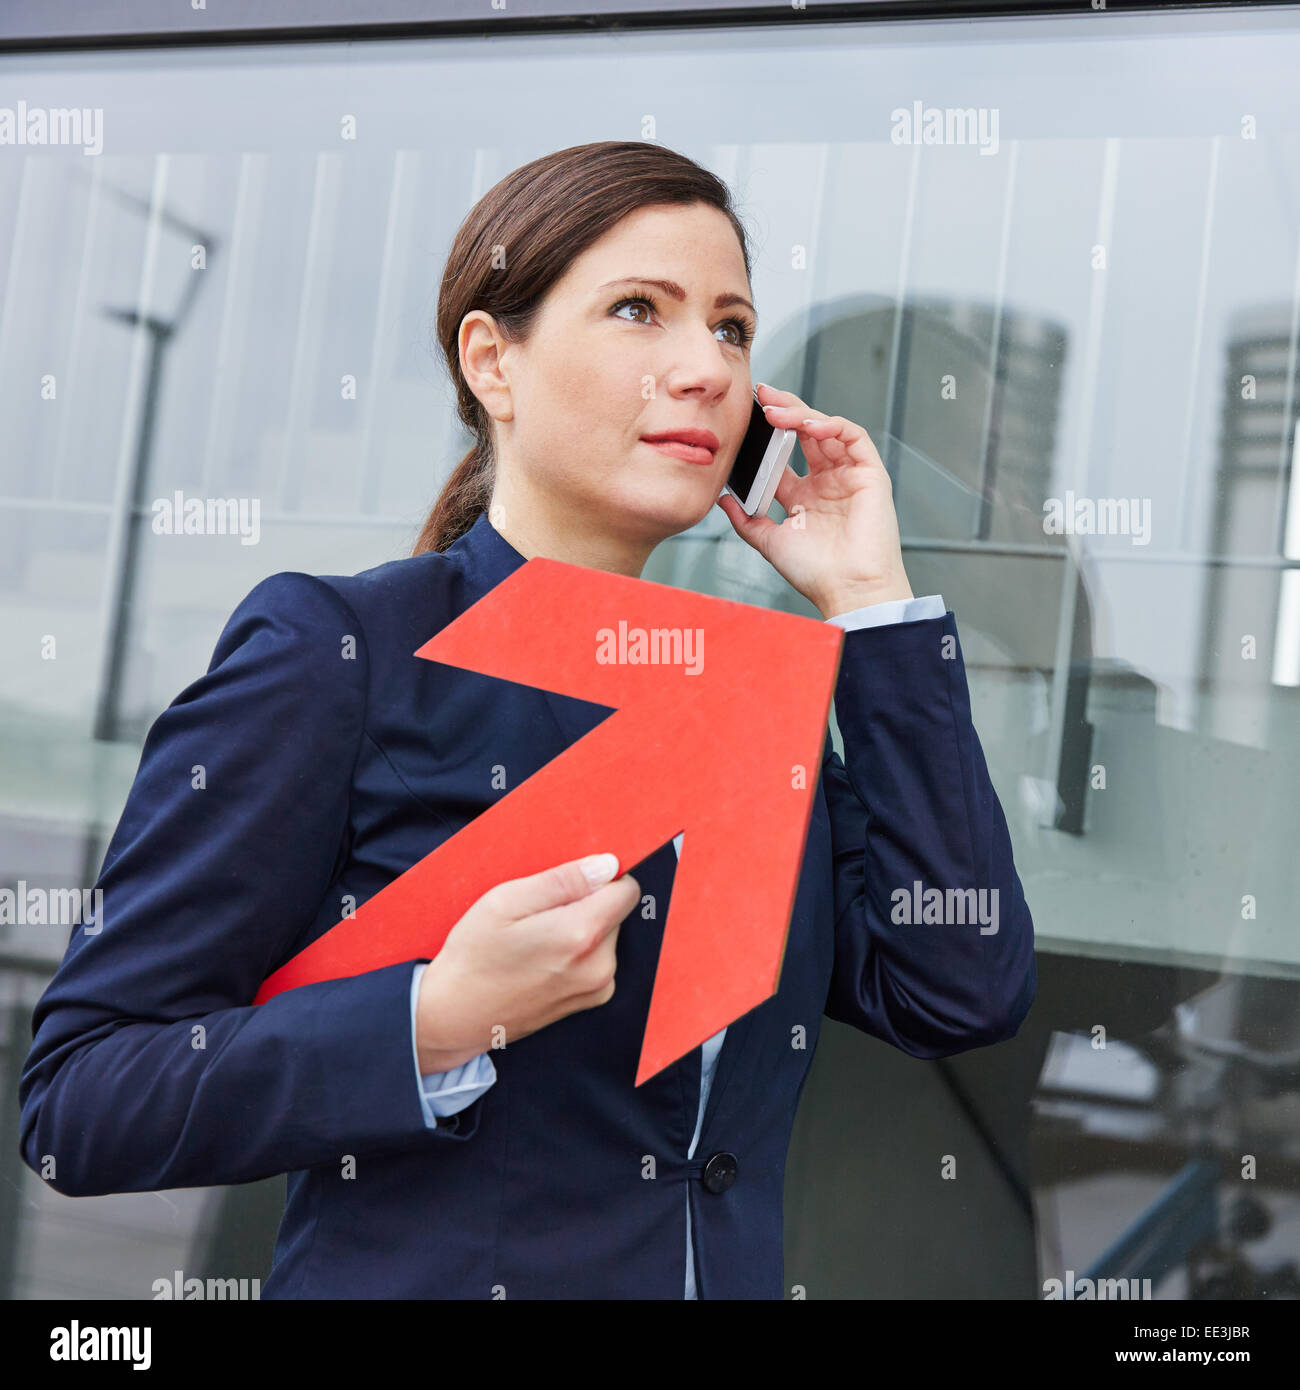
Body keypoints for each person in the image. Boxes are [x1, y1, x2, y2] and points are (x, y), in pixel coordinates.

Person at [18, 139, 1036, 1300]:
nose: (704, 365)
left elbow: (957, 986)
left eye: (732, 327)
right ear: (493, 361)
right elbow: (82, 1099)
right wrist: (434, 1020)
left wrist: (869, 605)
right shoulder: (341, 655)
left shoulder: (749, 699)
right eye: (639, 311)